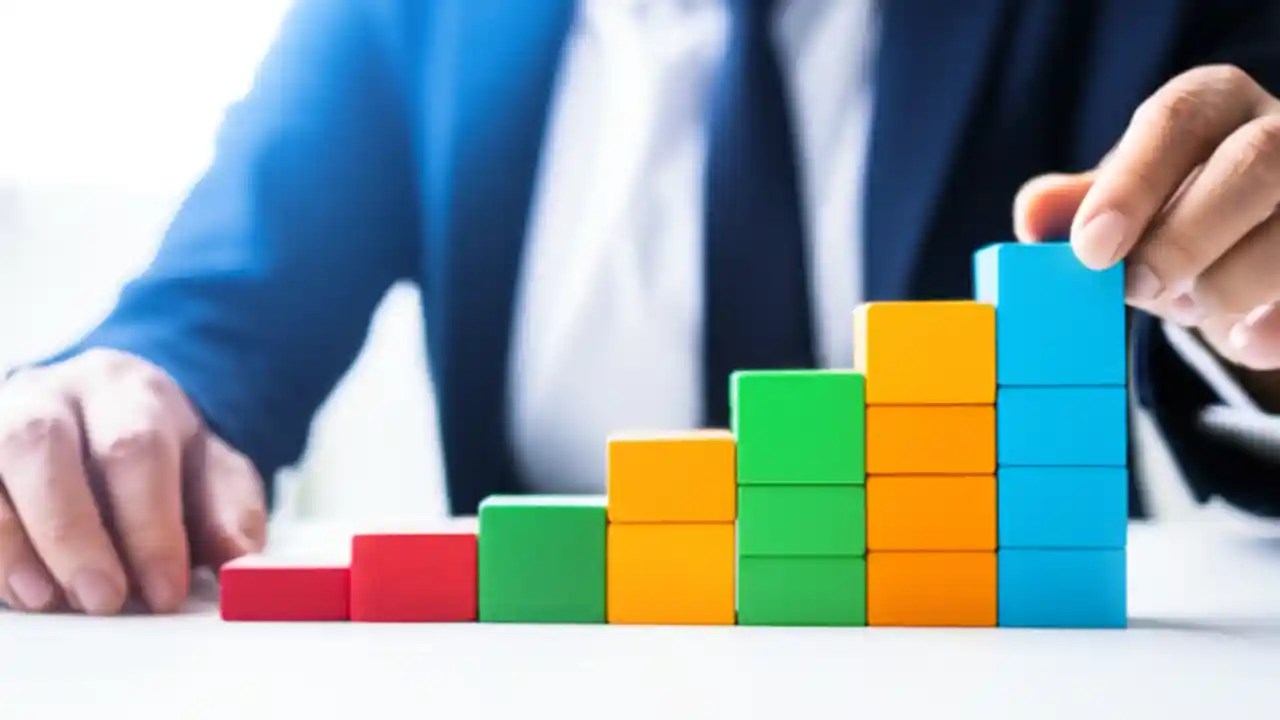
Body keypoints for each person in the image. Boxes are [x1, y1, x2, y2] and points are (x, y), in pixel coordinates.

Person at [3, 0, 1280, 616]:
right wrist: (115, 393)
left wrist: (1265, 339)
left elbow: (1243, 223)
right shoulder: (398, 23)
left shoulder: (1122, 12)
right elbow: (203, 322)